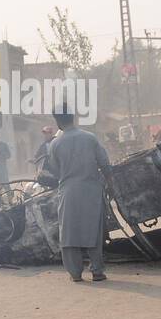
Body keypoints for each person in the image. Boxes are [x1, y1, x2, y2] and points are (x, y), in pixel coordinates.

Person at [44, 109, 111, 282]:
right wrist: (109, 183)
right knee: (93, 232)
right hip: (91, 190)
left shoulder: (55, 144)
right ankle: (97, 271)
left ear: (58, 122)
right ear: (73, 118)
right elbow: (104, 163)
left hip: (68, 191)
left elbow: (55, 170)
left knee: (69, 233)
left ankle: (75, 273)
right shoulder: (90, 137)